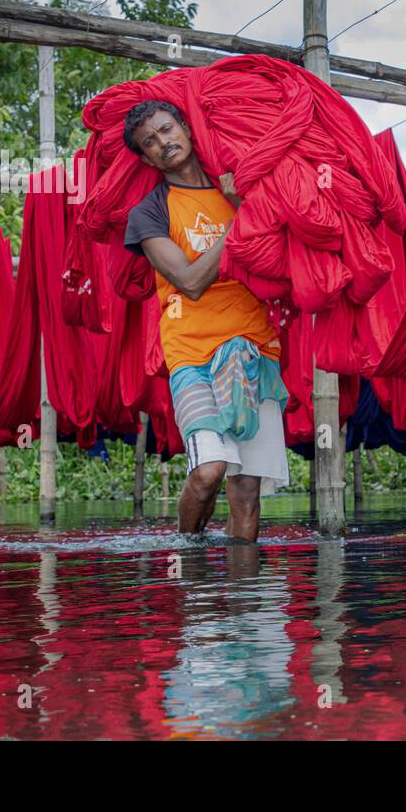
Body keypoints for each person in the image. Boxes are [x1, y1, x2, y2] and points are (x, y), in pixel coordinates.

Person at [123, 99, 289, 541]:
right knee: (208, 471)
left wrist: (246, 203)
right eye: (150, 142)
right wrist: (242, 220)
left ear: (187, 129)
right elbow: (190, 281)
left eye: (167, 129)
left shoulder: (236, 188)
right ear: (145, 157)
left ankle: (242, 601)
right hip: (192, 357)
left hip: (255, 350)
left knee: (247, 489)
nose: (163, 142)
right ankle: (191, 554)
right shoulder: (150, 213)